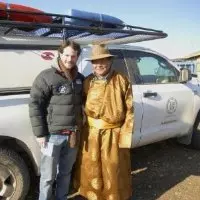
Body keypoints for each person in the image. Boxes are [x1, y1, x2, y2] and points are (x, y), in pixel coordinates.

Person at [74, 44, 134, 200]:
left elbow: (130, 110)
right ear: (92, 64)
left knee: (113, 169)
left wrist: (125, 135)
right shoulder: (87, 81)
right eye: (95, 61)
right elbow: (80, 106)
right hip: (92, 133)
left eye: (103, 60)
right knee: (91, 168)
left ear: (110, 61)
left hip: (114, 134)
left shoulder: (122, 80)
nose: (99, 64)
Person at [29, 40, 84, 200]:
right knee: (47, 177)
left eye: (73, 56)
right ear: (60, 54)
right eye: (66, 55)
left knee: (65, 174)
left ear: (77, 57)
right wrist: (40, 134)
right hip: (52, 137)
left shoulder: (80, 79)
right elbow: (34, 105)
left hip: (72, 136)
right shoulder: (46, 76)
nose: (69, 59)